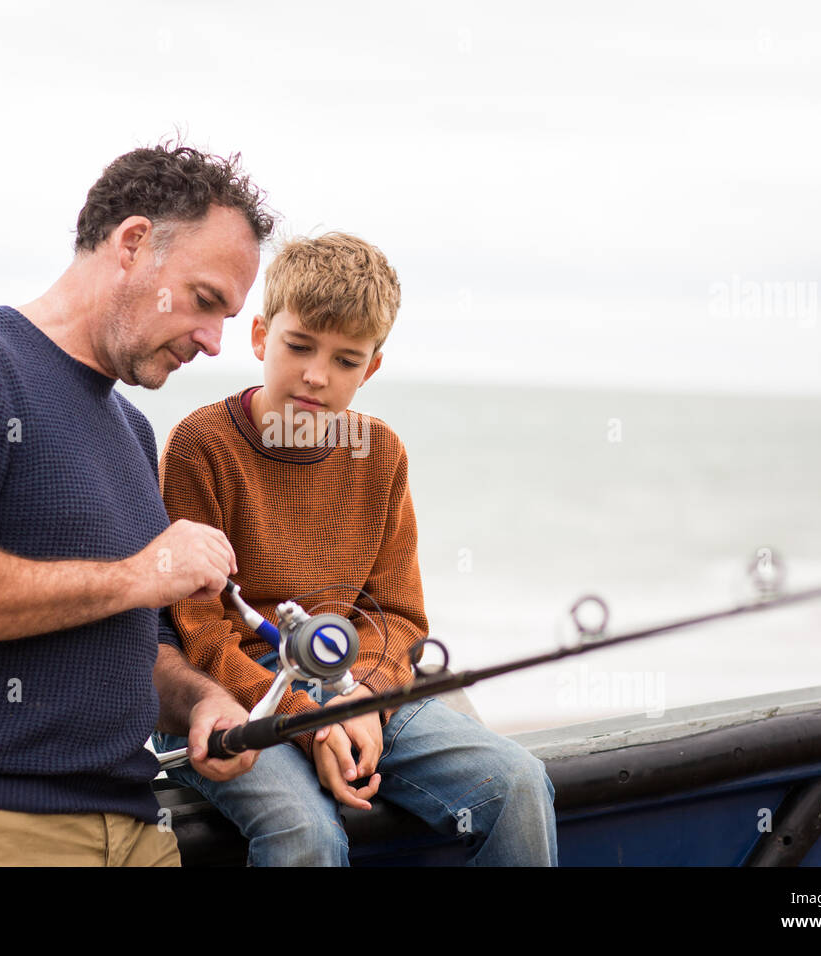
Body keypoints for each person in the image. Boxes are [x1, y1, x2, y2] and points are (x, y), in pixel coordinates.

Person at [0, 142, 276, 867]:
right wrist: (142, 573)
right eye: (205, 302)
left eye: (227, 316)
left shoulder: (132, 431)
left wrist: (201, 701)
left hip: (136, 830)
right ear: (133, 243)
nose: (212, 340)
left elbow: (130, 647)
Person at [153, 233, 559, 866]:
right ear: (260, 337)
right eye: (299, 346)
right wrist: (304, 719)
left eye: (347, 360)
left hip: (349, 682)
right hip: (233, 696)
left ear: (371, 369)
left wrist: (362, 703)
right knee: (308, 834)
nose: (317, 375)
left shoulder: (382, 453)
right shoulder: (199, 448)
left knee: (518, 784)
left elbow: (398, 616)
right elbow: (200, 633)